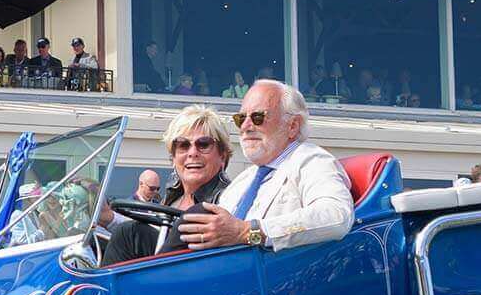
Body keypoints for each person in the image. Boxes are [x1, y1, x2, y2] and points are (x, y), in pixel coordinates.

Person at [179, 80, 354, 252]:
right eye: (241, 119)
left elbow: (336, 217)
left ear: (292, 126)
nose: (246, 127)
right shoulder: (241, 182)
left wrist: (249, 231)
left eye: (258, 117)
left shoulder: (312, 161)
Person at [103, 105, 233, 265]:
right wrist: (108, 218)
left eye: (204, 144)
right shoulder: (172, 197)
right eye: (183, 145)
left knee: (127, 233)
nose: (192, 153)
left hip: (198, 277)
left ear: (222, 156)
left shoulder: (229, 198)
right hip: (166, 274)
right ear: (173, 157)